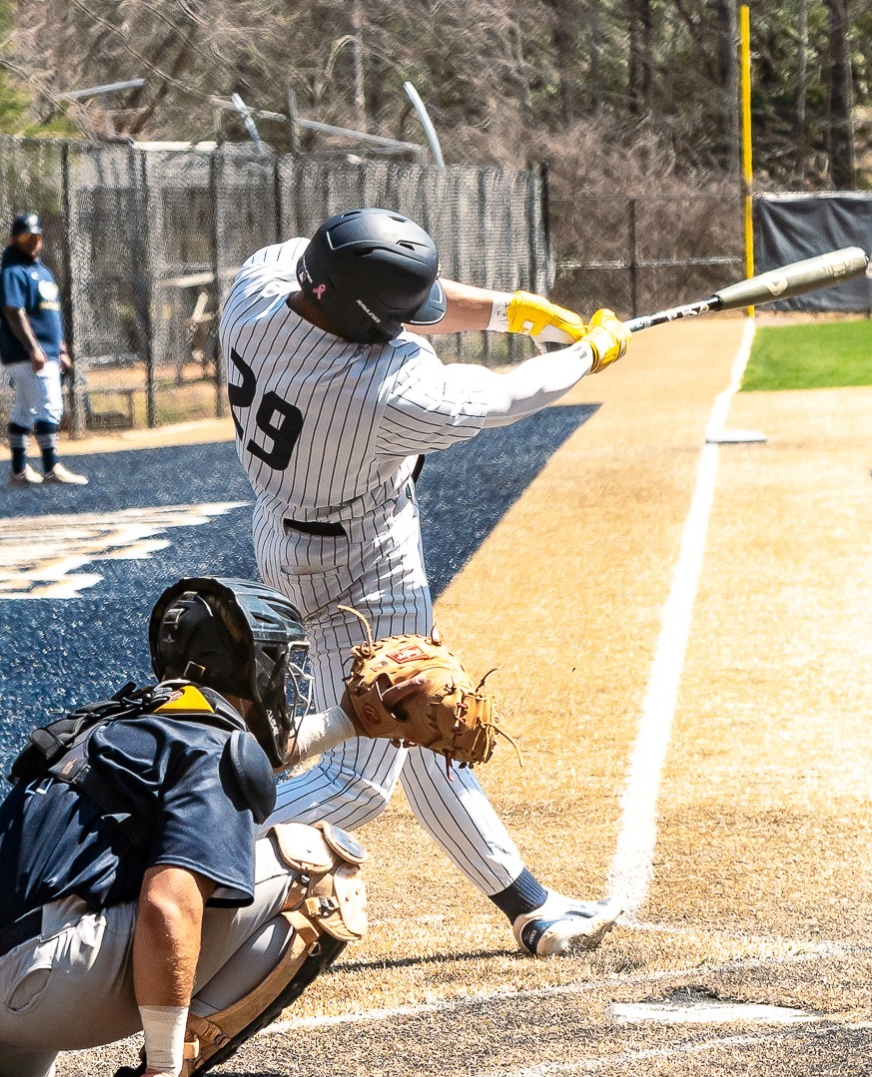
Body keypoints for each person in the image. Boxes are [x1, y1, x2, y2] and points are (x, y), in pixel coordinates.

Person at [218, 207, 632, 957]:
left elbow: (386, 301)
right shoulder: (390, 390)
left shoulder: (259, 284)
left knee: (428, 718)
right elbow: (509, 397)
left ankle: (529, 905)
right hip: (364, 564)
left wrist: (510, 309)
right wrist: (589, 355)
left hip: (281, 532)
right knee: (363, 777)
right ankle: (187, 848)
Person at [0, 577, 382, 1077]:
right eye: (279, 666)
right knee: (322, 867)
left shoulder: (122, 717)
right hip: (37, 989)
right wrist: (165, 1066)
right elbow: (168, 904)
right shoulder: (214, 745)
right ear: (254, 669)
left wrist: (349, 723)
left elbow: (248, 757)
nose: (286, 685)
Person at [0, 213, 86, 486]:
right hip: (27, 352)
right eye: (25, 238)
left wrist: (61, 348)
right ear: (13, 240)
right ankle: (51, 467)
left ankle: (19, 471)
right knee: (50, 406)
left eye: (35, 237)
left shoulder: (43, 271)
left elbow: (50, 316)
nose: (32, 243)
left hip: (47, 350)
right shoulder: (12, 272)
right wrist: (33, 348)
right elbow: (14, 312)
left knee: (25, 409)